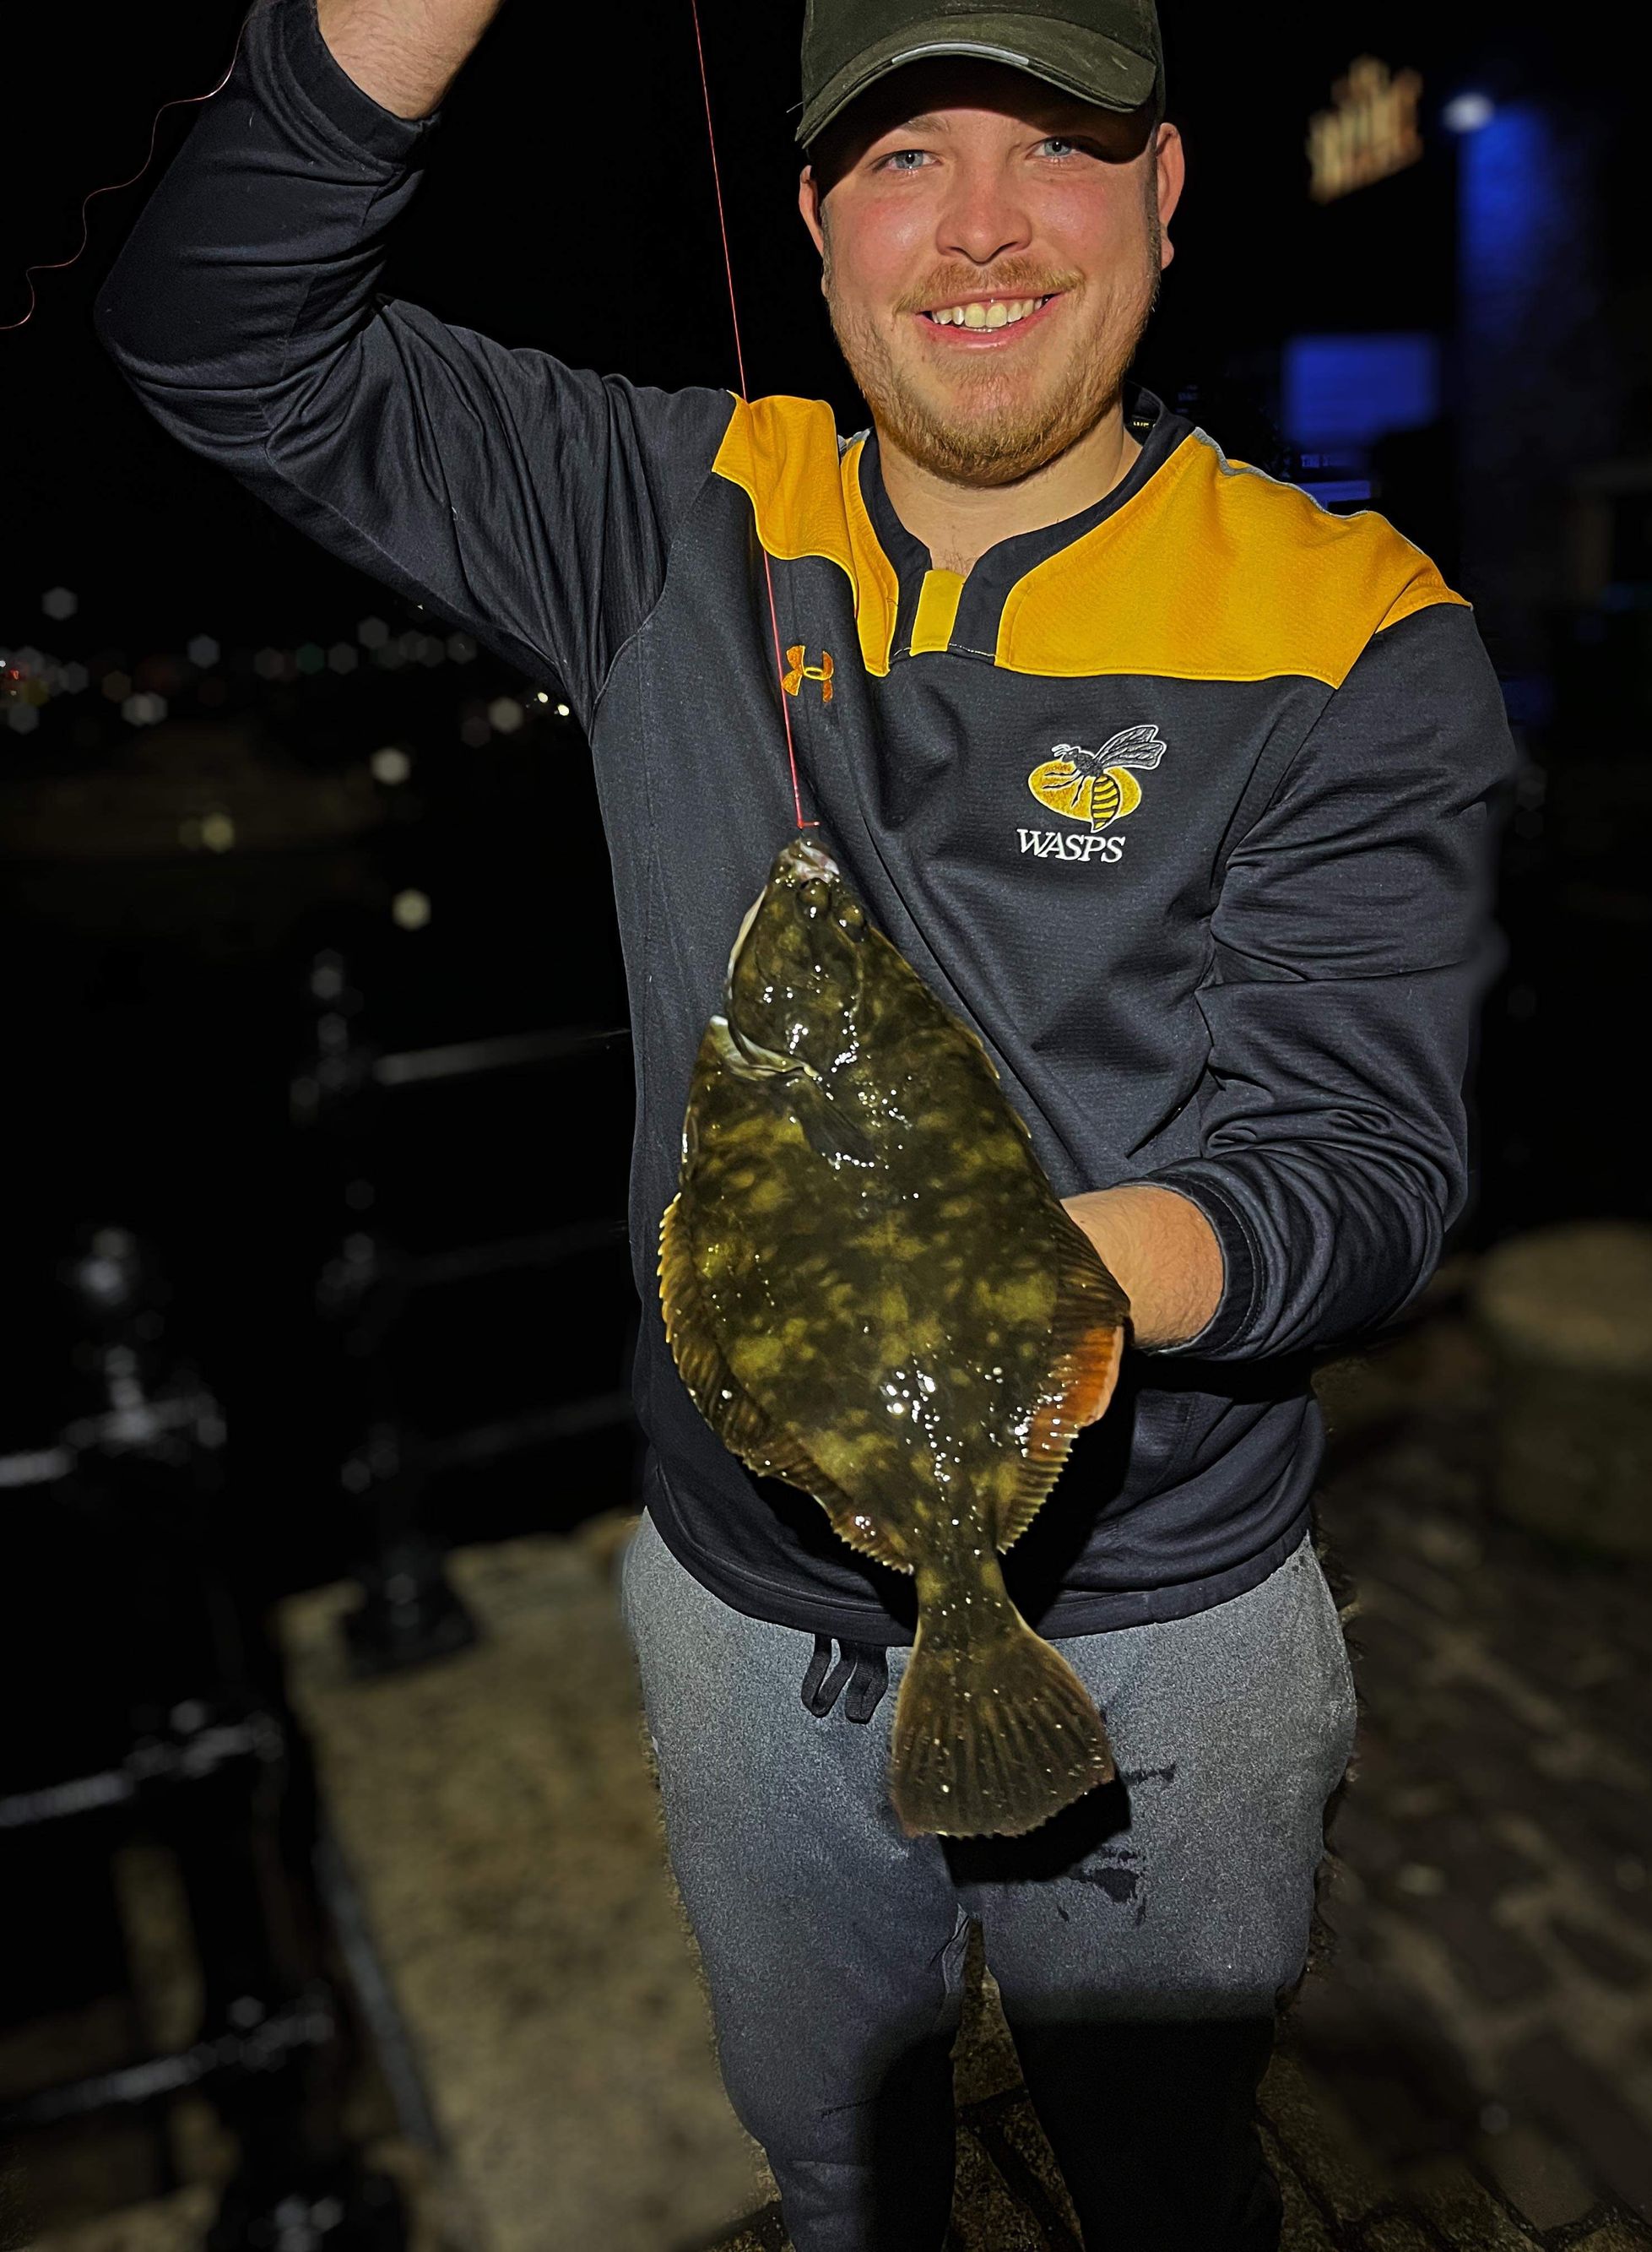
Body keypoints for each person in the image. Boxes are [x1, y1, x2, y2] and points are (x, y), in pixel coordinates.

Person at [95, 0, 1513, 2242]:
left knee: (1165, 2170)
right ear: (813, 221)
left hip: (1169, 1608)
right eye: (903, 156)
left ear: (1166, 192)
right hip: (740, 1600)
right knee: (840, 2156)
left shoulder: (1357, 628)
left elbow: (1365, 1175)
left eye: (1056, 148)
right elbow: (210, 331)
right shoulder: (670, 510)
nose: (980, 225)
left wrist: (1056, 1281)